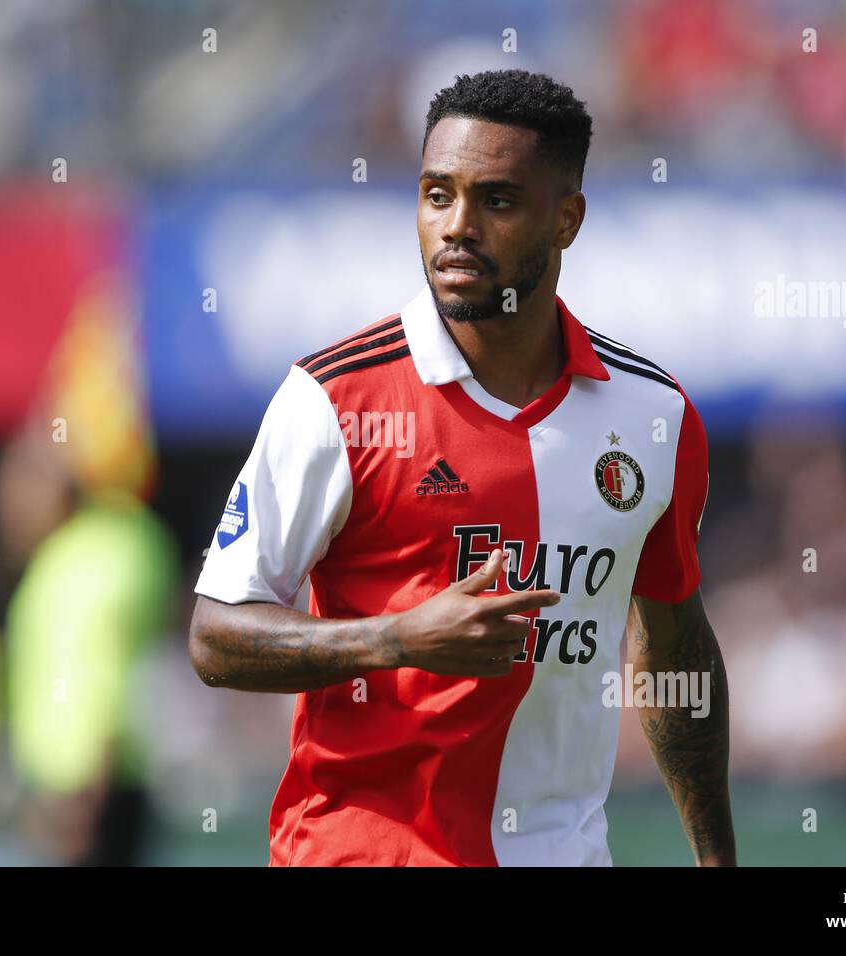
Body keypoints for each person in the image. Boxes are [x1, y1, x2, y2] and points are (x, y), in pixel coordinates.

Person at [190, 69, 734, 866]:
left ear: (566, 219)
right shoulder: (333, 400)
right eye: (437, 194)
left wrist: (716, 858)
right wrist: (395, 640)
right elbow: (215, 638)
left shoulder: (653, 417)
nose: (457, 227)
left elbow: (675, 647)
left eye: (498, 200)